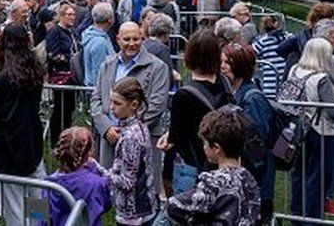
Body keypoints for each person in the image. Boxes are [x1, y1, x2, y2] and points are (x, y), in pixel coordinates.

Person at [158, 30, 234, 194]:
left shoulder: (183, 95)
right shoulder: (226, 83)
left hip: (191, 165)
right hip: (221, 160)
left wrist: (167, 140)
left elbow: (174, 139)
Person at [0, 24, 46, 223]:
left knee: (14, 204)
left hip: (9, 144)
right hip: (31, 138)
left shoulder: (4, 78)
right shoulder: (36, 71)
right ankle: (38, 223)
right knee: (36, 194)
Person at [164, 108, 261, 226]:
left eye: (205, 143)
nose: (204, 147)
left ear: (216, 148)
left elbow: (174, 206)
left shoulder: (214, 183)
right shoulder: (248, 178)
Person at [287, 38, 334, 224]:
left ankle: (296, 215)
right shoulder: (321, 78)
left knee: (298, 175)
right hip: (321, 132)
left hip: (298, 129)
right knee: (316, 178)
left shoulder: (294, 70)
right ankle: (312, 219)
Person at [221, 42, 276, 223]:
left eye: (227, 63)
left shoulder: (253, 98)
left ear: (240, 66)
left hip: (255, 179)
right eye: (222, 62)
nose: (222, 67)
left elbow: (258, 141)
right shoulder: (233, 91)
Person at [102, 77, 156, 225]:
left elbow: (127, 182)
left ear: (134, 105)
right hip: (143, 204)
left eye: (117, 103)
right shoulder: (139, 127)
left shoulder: (130, 138)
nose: (112, 107)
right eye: (111, 101)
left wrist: (102, 173)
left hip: (133, 212)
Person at [43, 127, 112, 226]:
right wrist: (94, 169)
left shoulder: (48, 184)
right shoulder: (97, 183)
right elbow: (106, 204)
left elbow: (42, 217)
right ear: (88, 154)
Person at [45, 2, 79, 142]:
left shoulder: (72, 31)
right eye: (69, 15)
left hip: (72, 75)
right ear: (61, 16)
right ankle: (55, 139)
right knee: (60, 108)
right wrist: (68, 59)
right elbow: (52, 53)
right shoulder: (55, 32)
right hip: (61, 76)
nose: (72, 17)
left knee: (69, 108)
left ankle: (67, 136)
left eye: (73, 15)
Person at [252, 16, 288, 100]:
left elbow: (251, 53)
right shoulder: (286, 37)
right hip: (285, 78)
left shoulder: (262, 42)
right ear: (276, 24)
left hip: (269, 82)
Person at [82, 2, 115, 86]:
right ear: (110, 19)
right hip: (98, 91)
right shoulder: (100, 42)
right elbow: (99, 71)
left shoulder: (90, 36)